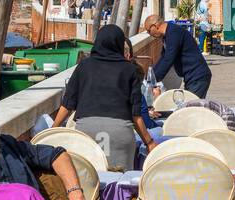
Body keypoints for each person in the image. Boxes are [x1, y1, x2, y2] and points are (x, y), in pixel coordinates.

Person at [51, 25, 157, 170]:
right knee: (121, 185)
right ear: (120, 45)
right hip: (119, 133)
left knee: (90, 180)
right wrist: (149, 142)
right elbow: (135, 114)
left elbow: (68, 104)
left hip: (87, 132)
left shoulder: (84, 66)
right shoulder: (129, 70)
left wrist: (52, 130)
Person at [143, 13, 212, 99]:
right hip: (190, 77)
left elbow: (168, 59)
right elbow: (163, 58)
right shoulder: (167, 35)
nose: (149, 34)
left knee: (192, 107)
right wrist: (151, 76)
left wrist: (154, 79)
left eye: (149, 30)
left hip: (197, 76)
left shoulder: (174, 33)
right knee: (188, 106)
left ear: (155, 26)